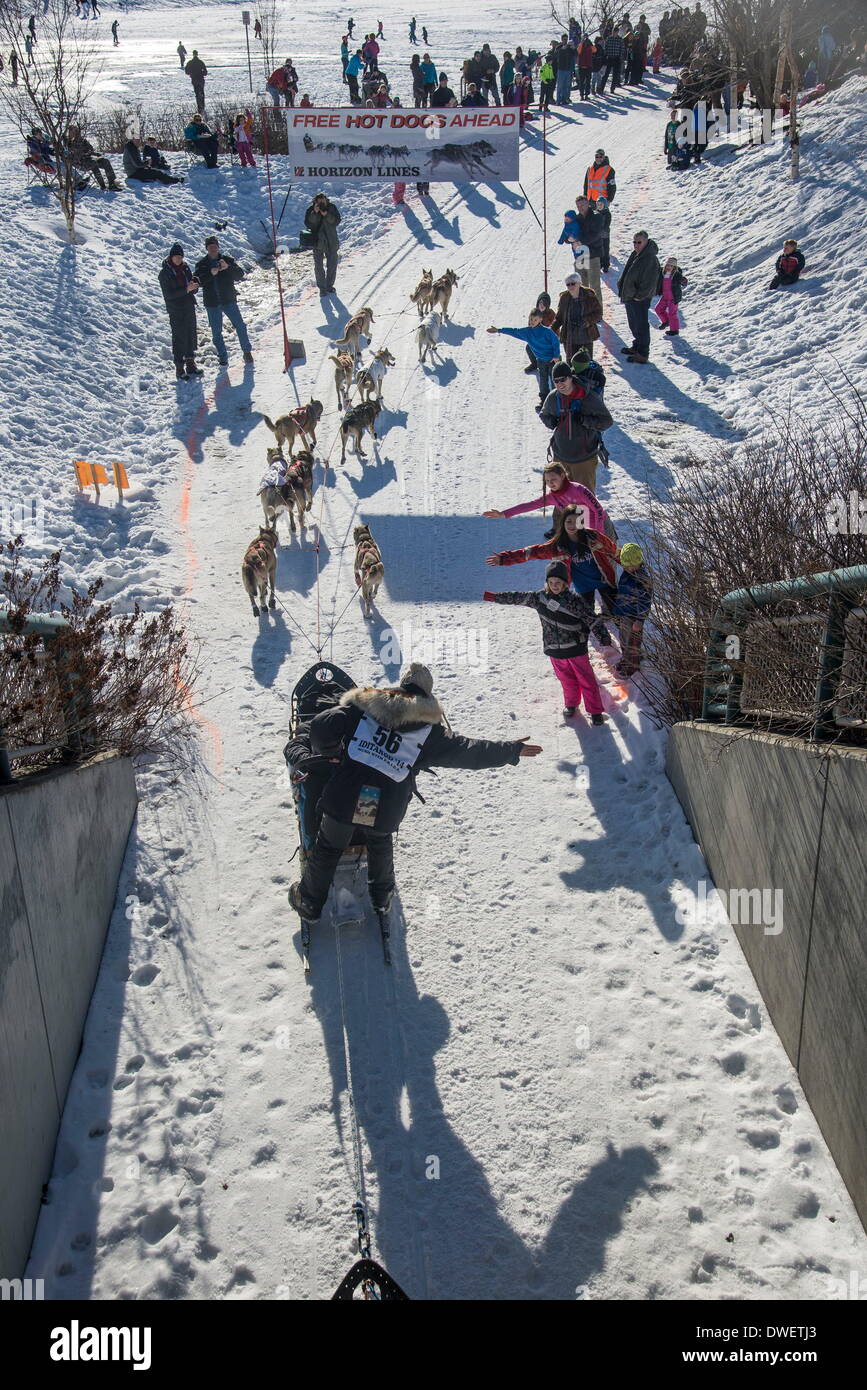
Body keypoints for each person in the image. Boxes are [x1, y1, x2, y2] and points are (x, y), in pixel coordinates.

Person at [287, 663, 541, 923]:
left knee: (329, 846)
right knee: (379, 840)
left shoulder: (366, 707)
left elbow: (321, 726)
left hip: (347, 792)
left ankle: (309, 901)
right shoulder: (430, 734)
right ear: (428, 695)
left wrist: (330, 753)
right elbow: (470, 751)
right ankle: (381, 896)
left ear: (402, 684)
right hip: (384, 803)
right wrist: (511, 750)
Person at [484, 561, 606, 722]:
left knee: (586, 680)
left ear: (565, 583)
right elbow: (517, 597)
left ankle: (595, 712)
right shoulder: (539, 599)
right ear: (547, 583)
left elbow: (591, 618)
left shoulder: (574, 601)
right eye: (551, 582)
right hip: (555, 650)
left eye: (558, 583)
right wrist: (495, 597)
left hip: (576, 648)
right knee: (566, 680)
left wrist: (603, 636)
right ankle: (571, 704)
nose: (555, 586)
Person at [483, 462, 611, 538]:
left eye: (553, 479)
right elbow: (529, 505)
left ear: (562, 476)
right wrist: (503, 513)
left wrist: (598, 534)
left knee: (607, 564)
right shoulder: (552, 498)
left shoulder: (579, 489)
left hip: (601, 527)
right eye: (547, 481)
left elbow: (598, 510)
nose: (550, 483)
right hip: (582, 531)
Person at [540, 361, 613, 492]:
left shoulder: (588, 397)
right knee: (560, 499)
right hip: (560, 456)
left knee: (585, 500)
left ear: (571, 377)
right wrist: (551, 422)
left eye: (563, 379)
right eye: (556, 381)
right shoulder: (554, 397)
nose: (560, 384)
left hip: (584, 458)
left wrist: (585, 420)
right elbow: (544, 414)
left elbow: (607, 421)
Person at [193, 235, 253, 366]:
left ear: (218, 247)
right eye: (210, 247)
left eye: (215, 246)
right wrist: (211, 273)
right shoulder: (201, 265)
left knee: (240, 326)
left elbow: (240, 275)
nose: (213, 249)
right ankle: (223, 357)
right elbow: (197, 282)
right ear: (207, 249)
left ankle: (247, 352)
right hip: (212, 303)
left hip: (228, 300)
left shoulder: (227, 260)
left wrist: (228, 268)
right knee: (216, 333)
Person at [487, 311, 561, 408]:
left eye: (535, 320)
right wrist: (499, 330)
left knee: (554, 380)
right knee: (543, 381)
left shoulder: (547, 331)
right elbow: (514, 331)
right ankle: (544, 401)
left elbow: (555, 341)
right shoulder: (527, 332)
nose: (532, 322)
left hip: (552, 360)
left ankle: (558, 400)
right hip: (541, 361)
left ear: (540, 320)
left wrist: (556, 356)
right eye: (531, 319)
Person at [158, 242, 203, 381]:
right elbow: (168, 295)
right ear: (170, 257)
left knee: (190, 334)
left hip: (188, 305)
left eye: (180, 257)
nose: (178, 259)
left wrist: (194, 286)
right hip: (175, 309)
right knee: (179, 337)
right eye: (175, 257)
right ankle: (179, 367)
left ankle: (190, 363)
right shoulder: (165, 273)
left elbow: (191, 286)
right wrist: (186, 290)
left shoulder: (185, 268)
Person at [617, 230, 661, 364]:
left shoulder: (650, 258)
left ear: (646, 242)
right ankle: (637, 346)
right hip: (630, 296)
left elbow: (650, 281)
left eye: (639, 242)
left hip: (639, 298)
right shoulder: (636, 254)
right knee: (633, 323)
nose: (636, 245)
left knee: (641, 325)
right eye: (634, 242)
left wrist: (639, 296)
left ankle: (643, 353)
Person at [612, 542, 652, 677]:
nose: (626, 567)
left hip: (633, 617)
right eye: (624, 564)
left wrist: (640, 619)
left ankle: (631, 667)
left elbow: (645, 600)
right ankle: (627, 660)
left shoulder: (641, 578)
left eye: (629, 565)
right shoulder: (629, 572)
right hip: (625, 613)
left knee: (631, 643)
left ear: (638, 561)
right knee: (624, 639)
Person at [552, 271, 603, 364]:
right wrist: (551, 329)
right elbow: (559, 317)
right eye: (568, 284)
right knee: (571, 363)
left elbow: (598, 313)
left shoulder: (589, 295)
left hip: (586, 335)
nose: (570, 286)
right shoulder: (564, 297)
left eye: (573, 283)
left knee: (586, 362)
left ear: (579, 283)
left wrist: (587, 321)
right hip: (570, 337)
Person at [304, 191, 341, 295]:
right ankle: (322, 288)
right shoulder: (311, 210)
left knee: (332, 265)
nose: (321, 204)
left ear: (326, 200)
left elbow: (336, 221)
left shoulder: (332, 208)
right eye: (319, 201)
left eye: (323, 201)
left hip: (331, 241)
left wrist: (326, 214)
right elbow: (308, 224)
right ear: (315, 202)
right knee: (319, 266)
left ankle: (329, 286)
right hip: (317, 242)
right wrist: (315, 213)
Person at [65, 124, 120, 191]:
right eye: (73, 132)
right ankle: (102, 186)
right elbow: (70, 155)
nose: (75, 133)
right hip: (79, 163)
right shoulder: (68, 143)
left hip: (88, 159)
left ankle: (112, 184)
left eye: (76, 131)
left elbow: (91, 149)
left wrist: (91, 152)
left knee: (105, 161)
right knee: (93, 163)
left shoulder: (82, 140)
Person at [572, 196, 605, 301]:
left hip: (593, 255)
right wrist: (568, 239)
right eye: (578, 206)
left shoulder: (596, 216)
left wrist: (581, 242)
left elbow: (595, 234)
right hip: (580, 256)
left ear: (588, 204)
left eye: (582, 205)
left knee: (594, 287)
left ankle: (598, 313)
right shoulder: (576, 219)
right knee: (581, 287)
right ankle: (585, 312)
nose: (580, 208)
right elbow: (568, 232)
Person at [654, 256, 687, 335]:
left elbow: (683, 281)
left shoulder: (676, 275)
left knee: (672, 313)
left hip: (673, 297)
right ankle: (666, 321)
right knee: (658, 309)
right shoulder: (662, 273)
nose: (669, 267)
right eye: (668, 265)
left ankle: (674, 330)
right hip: (665, 296)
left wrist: (683, 281)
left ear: (674, 268)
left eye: (671, 266)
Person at [553, 33, 575, 104]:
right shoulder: (559, 47)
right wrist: (562, 49)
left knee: (567, 85)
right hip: (561, 69)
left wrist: (573, 48)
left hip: (568, 69)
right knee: (560, 86)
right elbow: (555, 55)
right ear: (561, 40)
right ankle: (558, 100)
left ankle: (565, 99)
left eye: (566, 39)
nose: (565, 40)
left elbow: (575, 54)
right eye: (564, 39)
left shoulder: (569, 47)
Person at [576, 34, 595, 99]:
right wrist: (581, 42)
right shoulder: (581, 45)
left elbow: (595, 50)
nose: (586, 40)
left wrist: (591, 44)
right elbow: (578, 51)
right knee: (581, 82)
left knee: (588, 81)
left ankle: (586, 94)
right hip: (581, 66)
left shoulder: (590, 46)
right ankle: (581, 95)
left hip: (588, 66)